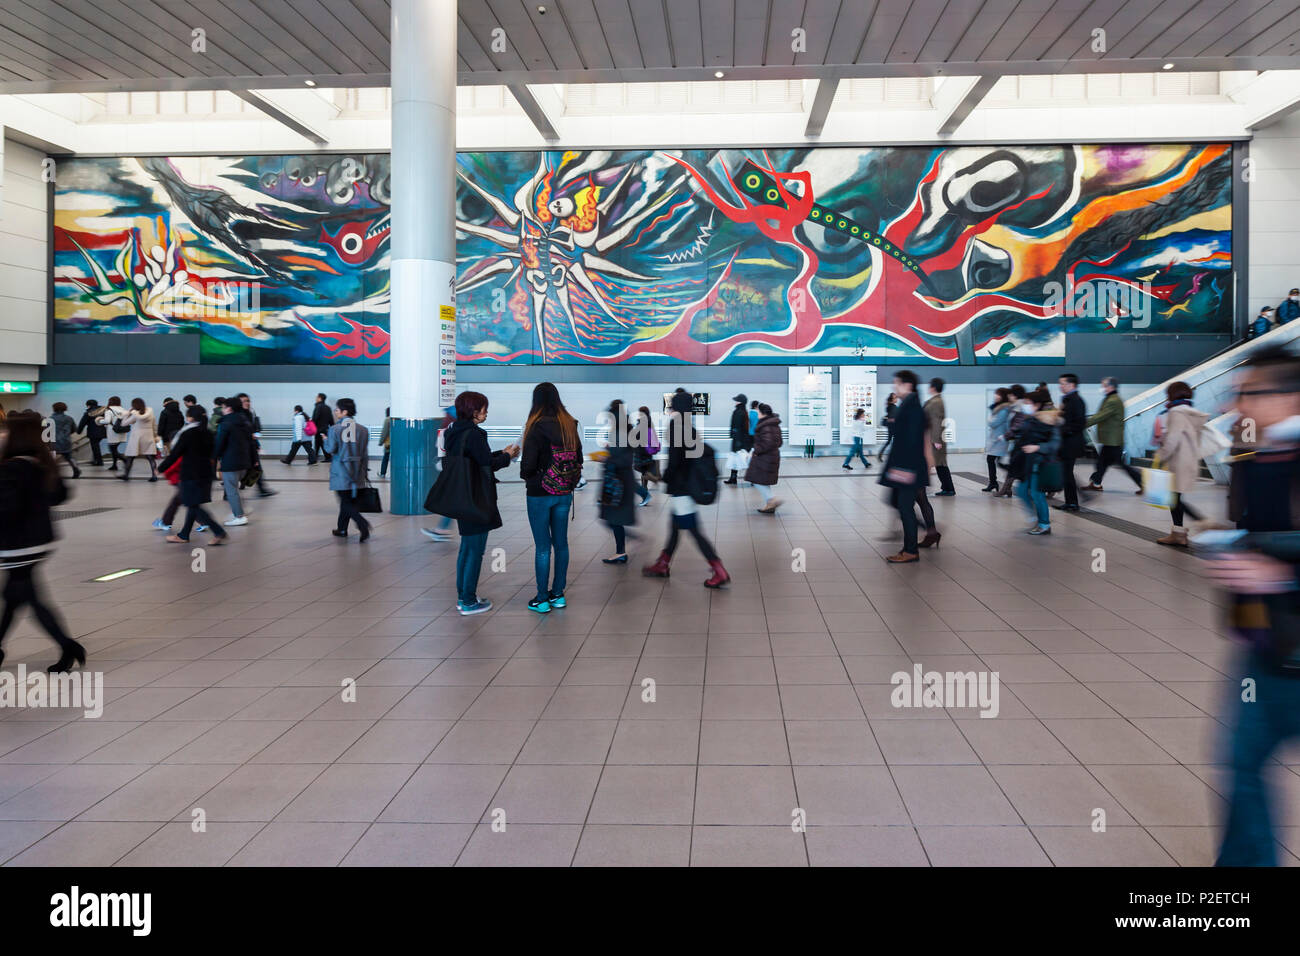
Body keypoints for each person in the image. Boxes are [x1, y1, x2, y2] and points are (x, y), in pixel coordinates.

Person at [1203, 347, 1300, 866]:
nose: (1238, 403)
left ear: (1289, 397)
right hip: (1267, 647)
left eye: (1250, 392)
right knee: (1240, 762)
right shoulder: (1260, 456)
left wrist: (1279, 572)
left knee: (1242, 762)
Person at [0, 411, 86, 673]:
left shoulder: (11, 467)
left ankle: (68, 646)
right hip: (39, 540)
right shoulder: (42, 462)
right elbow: (59, 496)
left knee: (29, 598)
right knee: (14, 595)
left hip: (17, 542)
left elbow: (7, 508)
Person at [642, 390, 730, 587]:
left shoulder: (677, 426)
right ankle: (662, 563)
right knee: (674, 527)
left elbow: (675, 460)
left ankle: (719, 570)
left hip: (681, 487)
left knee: (693, 530)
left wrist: (664, 477)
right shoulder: (689, 427)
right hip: (687, 486)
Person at [443, 391, 518, 614]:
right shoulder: (475, 434)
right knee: (475, 550)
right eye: (484, 409)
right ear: (474, 411)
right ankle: (468, 601)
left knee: (466, 549)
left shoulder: (453, 432)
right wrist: (508, 456)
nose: (486, 413)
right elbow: (486, 465)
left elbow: (477, 459)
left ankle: (463, 596)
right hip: (476, 497)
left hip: (461, 495)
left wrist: (501, 453)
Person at [519, 382, 583, 613]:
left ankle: (541, 598)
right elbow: (579, 458)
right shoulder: (569, 424)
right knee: (561, 544)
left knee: (543, 547)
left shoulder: (535, 426)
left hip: (539, 493)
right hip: (564, 492)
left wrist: (528, 476)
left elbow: (527, 465)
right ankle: (558, 594)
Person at [879, 371, 933, 563]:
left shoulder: (912, 408)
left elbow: (911, 442)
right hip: (904, 466)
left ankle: (911, 550)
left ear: (907, 385)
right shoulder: (908, 406)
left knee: (904, 507)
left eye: (897, 383)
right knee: (896, 503)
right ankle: (922, 534)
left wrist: (903, 470)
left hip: (907, 468)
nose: (895, 387)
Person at [1152, 381, 1211, 547]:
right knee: (1175, 497)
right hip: (1189, 460)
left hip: (1177, 461)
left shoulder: (1176, 412)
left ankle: (1197, 525)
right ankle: (1179, 533)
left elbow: (1173, 440)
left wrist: (1160, 456)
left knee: (1174, 498)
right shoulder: (1192, 412)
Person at [158, 405, 227, 546]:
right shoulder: (208, 433)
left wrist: (161, 468)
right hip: (206, 473)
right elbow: (215, 452)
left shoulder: (187, 433)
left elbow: (175, 454)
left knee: (192, 504)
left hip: (191, 473)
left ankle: (218, 531)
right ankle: (183, 535)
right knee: (193, 504)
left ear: (190, 417)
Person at [1014, 388, 1062, 536]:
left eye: (1028, 403)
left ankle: (1044, 524)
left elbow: (1055, 444)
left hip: (1041, 462)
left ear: (1037, 404)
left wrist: (1037, 447)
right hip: (1029, 462)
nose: (1025, 405)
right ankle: (1036, 517)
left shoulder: (1050, 421)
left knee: (1037, 494)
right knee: (1021, 490)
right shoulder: (1031, 419)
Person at [1085, 376, 1143, 493]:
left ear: (1111, 387)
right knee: (1102, 462)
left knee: (1118, 464)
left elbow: (1101, 415)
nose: (1102, 388)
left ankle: (1141, 481)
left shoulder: (1113, 401)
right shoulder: (1111, 398)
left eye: (1104, 386)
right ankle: (1096, 483)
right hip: (1110, 440)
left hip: (1113, 441)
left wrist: (1084, 423)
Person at [325, 397, 372, 541]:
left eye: (337, 410)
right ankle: (342, 529)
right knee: (347, 500)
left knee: (344, 500)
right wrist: (364, 471)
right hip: (357, 469)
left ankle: (362, 523)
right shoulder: (363, 430)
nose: (335, 412)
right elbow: (364, 453)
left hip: (341, 469)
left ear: (344, 411)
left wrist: (325, 440)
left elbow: (331, 449)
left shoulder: (335, 429)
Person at [599, 400, 638, 564]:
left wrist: (607, 458)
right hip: (621, 481)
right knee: (613, 519)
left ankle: (621, 550)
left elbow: (622, 458)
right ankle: (620, 550)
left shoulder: (619, 433)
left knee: (612, 518)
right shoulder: (626, 430)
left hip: (617, 483)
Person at [213, 396, 253, 526]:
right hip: (244, 461)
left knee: (231, 490)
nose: (223, 410)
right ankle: (239, 510)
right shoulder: (244, 421)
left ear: (229, 408)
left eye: (224, 407)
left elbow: (219, 443)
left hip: (230, 461)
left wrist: (213, 457)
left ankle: (239, 516)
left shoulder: (225, 423)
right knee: (235, 489)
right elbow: (251, 442)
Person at [422, 407, 457, 541]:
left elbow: (442, 450)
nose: (445, 418)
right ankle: (442, 528)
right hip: (452, 468)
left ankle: (442, 529)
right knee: (453, 498)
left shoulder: (448, 429)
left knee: (453, 498)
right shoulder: (449, 429)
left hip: (452, 469)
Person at [1057, 374, 1087, 511]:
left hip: (1071, 443)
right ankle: (1071, 501)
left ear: (1071, 385)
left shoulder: (1076, 400)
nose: (1060, 386)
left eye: (1063, 383)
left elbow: (1080, 423)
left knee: (1067, 473)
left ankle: (1073, 502)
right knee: (1066, 473)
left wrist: (1063, 429)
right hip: (1066, 442)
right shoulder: (1068, 399)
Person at [746, 402, 783, 514]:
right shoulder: (772, 424)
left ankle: (772, 500)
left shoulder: (766, 425)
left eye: (758, 411)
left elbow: (768, 443)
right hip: (770, 456)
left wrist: (756, 449)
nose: (756, 413)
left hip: (765, 457)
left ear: (763, 413)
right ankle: (769, 504)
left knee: (757, 480)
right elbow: (779, 442)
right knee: (762, 480)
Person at [237, 393, 276, 497]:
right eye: (243, 401)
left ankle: (261, 489)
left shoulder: (250, 413)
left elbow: (254, 431)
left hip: (251, 446)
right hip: (242, 447)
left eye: (248, 401)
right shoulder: (238, 415)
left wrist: (256, 443)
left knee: (256, 469)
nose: (246, 403)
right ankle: (229, 493)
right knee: (239, 470)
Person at [995, 384, 1029, 497]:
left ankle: (1006, 489)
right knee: (1012, 465)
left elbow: (1017, 425)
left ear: (1014, 395)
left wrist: (1005, 436)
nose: (1008, 396)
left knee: (1013, 465)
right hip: (1016, 440)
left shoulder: (1020, 407)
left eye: (1010, 394)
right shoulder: (1014, 407)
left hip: (1020, 441)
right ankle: (1006, 489)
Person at [925, 377, 955, 495]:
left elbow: (937, 421)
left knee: (939, 463)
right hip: (933, 437)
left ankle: (949, 489)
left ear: (933, 388)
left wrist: (937, 440)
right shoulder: (935, 400)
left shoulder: (936, 402)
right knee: (940, 464)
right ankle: (947, 488)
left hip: (935, 438)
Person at [117, 397, 158, 481]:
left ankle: (126, 475)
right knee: (150, 457)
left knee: (130, 457)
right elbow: (154, 425)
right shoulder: (150, 413)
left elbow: (123, 424)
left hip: (136, 437)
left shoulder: (135, 415)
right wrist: (155, 436)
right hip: (148, 436)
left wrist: (127, 413)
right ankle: (154, 476)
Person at [984, 388, 1013, 492]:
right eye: (996, 394)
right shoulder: (998, 408)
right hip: (996, 439)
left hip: (1001, 439)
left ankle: (1009, 478)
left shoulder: (1004, 409)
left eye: (998, 394)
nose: (996, 396)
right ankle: (994, 483)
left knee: (996, 461)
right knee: (992, 460)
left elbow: (993, 423)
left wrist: (990, 419)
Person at [631, 404, 658, 506]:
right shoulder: (650, 423)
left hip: (641, 452)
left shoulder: (642, 423)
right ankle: (645, 496)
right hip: (647, 452)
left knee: (643, 472)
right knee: (644, 473)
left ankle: (646, 493)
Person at [724, 393, 751, 485]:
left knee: (740, 459)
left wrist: (736, 440)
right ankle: (733, 477)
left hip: (738, 440)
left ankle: (735, 478)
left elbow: (736, 427)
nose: (735, 402)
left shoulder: (738, 412)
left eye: (736, 400)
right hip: (741, 439)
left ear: (740, 402)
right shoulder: (744, 411)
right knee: (736, 459)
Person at [48, 403, 81, 479]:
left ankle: (53, 472)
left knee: (52, 458)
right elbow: (74, 429)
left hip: (53, 442)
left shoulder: (50, 419)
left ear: (54, 409)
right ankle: (76, 469)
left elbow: (46, 432)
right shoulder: (69, 418)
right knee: (69, 457)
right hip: (66, 441)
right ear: (65, 409)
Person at [98, 396, 127, 471]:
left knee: (112, 449)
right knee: (114, 449)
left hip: (113, 432)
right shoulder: (123, 410)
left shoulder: (109, 411)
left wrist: (99, 421)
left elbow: (107, 421)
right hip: (121, 431)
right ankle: (114, 465)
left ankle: (125, 460)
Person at [76, 399, 106, 466]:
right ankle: (96, 460)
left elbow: (82, 423)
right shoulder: (103, 411)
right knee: (96, 446)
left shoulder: (88, 413)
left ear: (88, 405)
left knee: (95, 447)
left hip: (93, 432)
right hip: (102, 431)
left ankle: (99, 461)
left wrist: (78, 431)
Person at [311, 393, 334, 462]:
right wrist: (332, 427)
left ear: (319, 398)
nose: (315, 398)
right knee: (321, 443)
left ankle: (314, 459)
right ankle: (327, 457)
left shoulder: (318, 407)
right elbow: (331, 419)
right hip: (325, 429)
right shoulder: (328, 408)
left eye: (316, 397)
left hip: (318, 429)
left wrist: (312, 426)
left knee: (318, 444)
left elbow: (315, 418)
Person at [877, 392, 898, 461]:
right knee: (894, 442)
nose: (897, 399)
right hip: (894, 427)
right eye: (895, 398)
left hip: (891, 427)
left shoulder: (890, 406)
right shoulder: (893, 407)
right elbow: (892, 418)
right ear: (892, 399)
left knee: (889, 441)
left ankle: (880, 454)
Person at [379, 407, 392, 478]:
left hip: (388, 443)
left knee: (385, 458)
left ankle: (383, 473)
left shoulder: (387, 420)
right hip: (397, 443)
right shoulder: (396, 419)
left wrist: (380, 442)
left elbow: (384, 432)